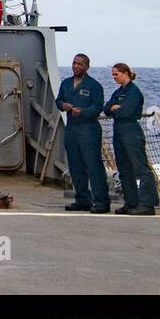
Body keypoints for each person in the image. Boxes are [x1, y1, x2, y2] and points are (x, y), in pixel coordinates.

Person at [55, 52, 110, 213]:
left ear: (87, 67)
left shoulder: (94, 86)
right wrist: (63, 105)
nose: (76, 66)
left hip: (88, 129)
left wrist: (84, 111)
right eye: (74, 63)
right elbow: (58, 101)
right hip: (72, 129)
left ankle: (101, 201)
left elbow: (98, 107)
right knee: (75, 165)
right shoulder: (66, 84)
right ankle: (82, 199)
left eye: (79, 64)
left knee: (93, 165)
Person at [105, 63, 159, 216]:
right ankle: (131, 202)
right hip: (119, 131)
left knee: (140, 168)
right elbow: (106, 108)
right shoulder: (118, 92)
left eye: (116, 74)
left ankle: (147, 204)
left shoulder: (134, 92)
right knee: (124, 169)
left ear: (125, 73)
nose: (114, 77)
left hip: (131, 130)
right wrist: (114, 108)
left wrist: (116, 109)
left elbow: (126, 112)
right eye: (113, 75)